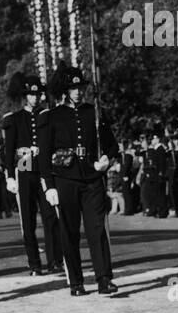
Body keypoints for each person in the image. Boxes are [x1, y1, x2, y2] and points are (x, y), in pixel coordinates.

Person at [37, 61, 119, 296]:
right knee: (69, 231)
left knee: (97, 229)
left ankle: (104, 279)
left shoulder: (93, 113)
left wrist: (106, 159)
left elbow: (111, 145)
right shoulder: (51, 116)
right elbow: (43, 156)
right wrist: (48, 186)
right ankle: (76, 281)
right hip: (65, 178)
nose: (79, 91)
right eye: (74, 88)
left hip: (92, 177)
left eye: (81, 87)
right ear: (65, 91)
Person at [1, 72, 61, 275]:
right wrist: (9, 175)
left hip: (45, 171)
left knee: (50, 217)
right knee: (27, 220)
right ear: (25, 95)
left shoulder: (47, 115)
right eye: (31, 94)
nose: (35, 98)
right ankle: (34, 262)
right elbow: (9, 150)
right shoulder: (15, 119)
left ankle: (55, 260)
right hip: (24, 171)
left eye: (37, 94)